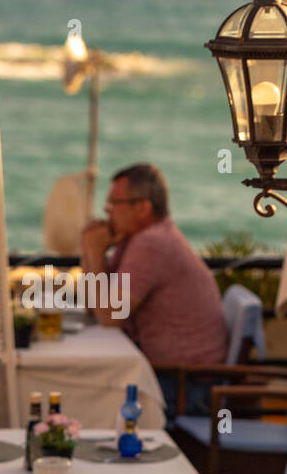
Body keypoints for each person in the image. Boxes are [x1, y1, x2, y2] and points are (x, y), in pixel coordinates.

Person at [80, 163, 227, 414]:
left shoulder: (152, 244)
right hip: (173, 376)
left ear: (143, 208)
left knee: (87, 396)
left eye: (114, 203)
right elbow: (94, 305)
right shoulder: (137, 239)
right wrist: (90, 249)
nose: (107, 212)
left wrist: (93, 252)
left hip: (187, 387)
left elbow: (108, 317)